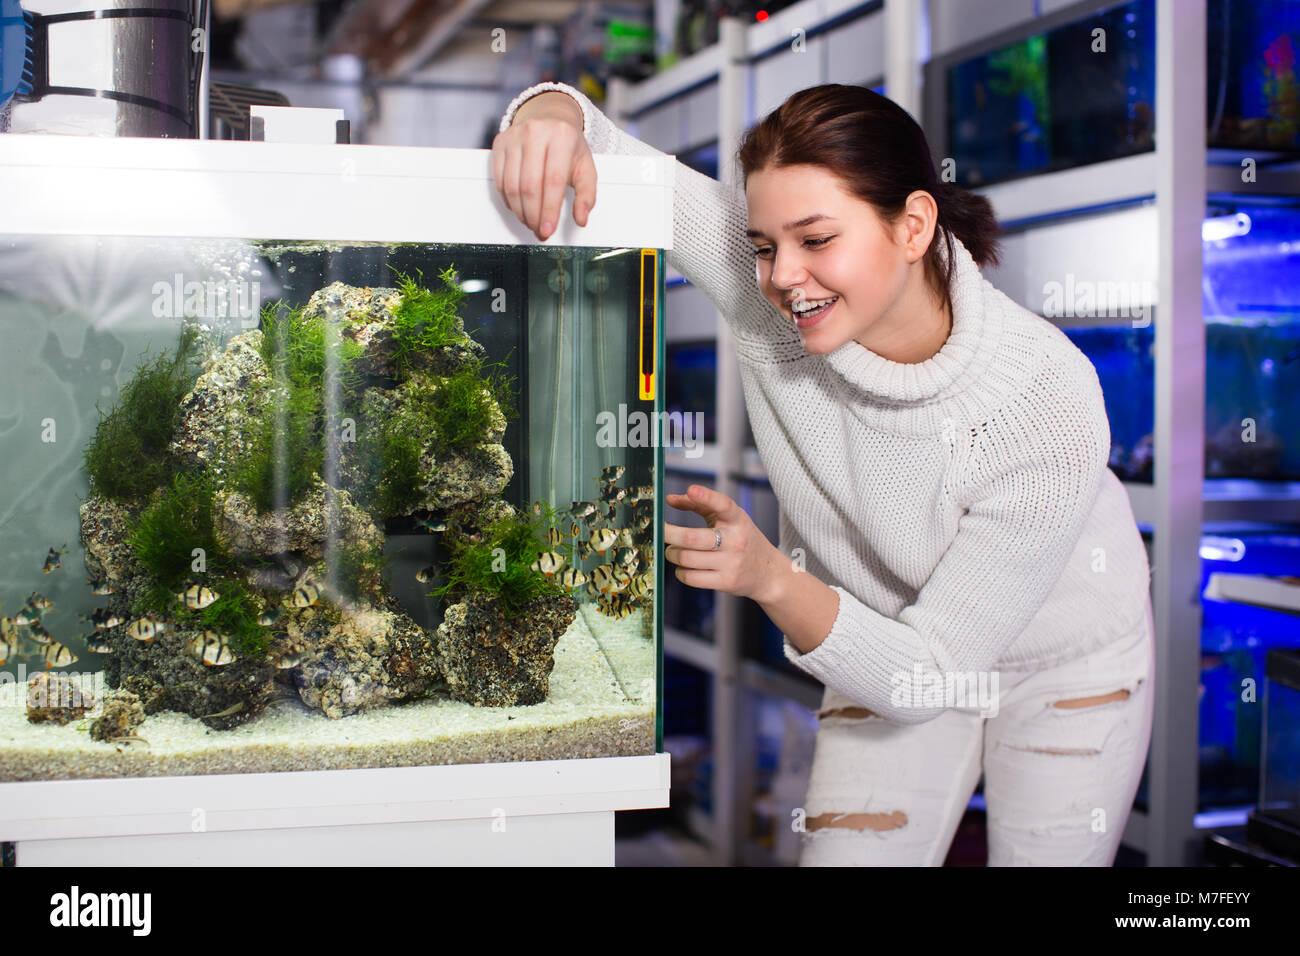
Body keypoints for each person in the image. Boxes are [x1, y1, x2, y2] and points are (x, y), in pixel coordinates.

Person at [492, 81, 1154, 866]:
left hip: (1062, 666)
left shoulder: (1045, 399)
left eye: (815, 240)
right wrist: (545, 112)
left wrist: (770, 577)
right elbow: (601, 141)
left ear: (913, 225)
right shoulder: (765, 285)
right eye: (765, 245)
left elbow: (934, 673)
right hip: (879, 639)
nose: (781, 278)